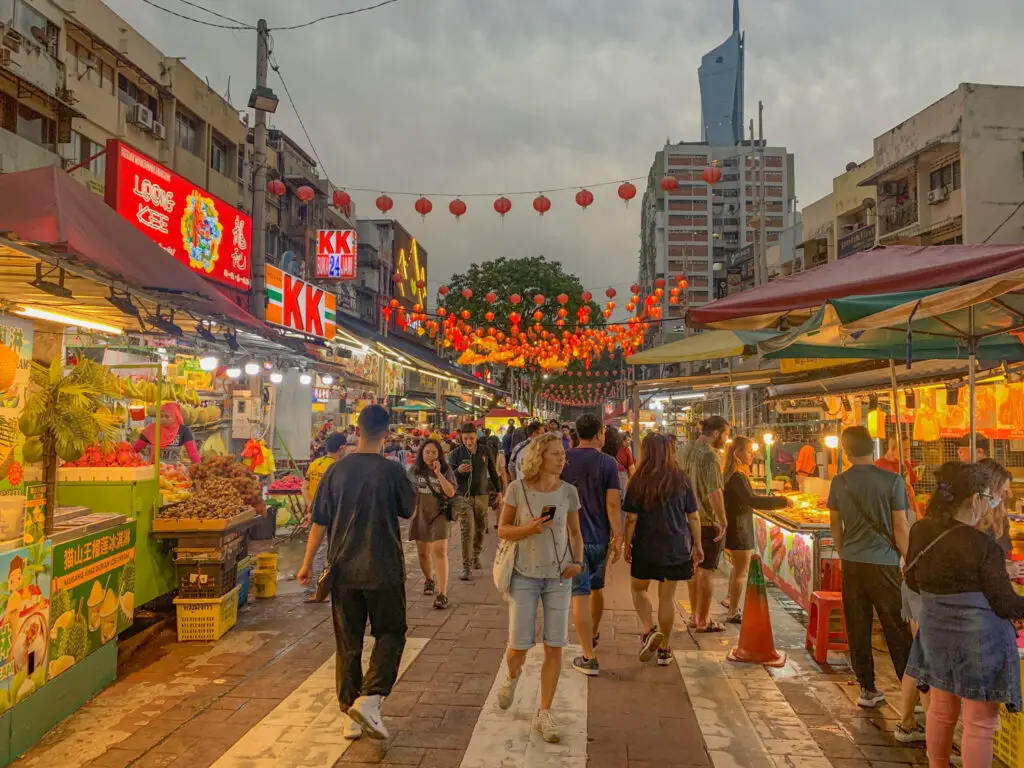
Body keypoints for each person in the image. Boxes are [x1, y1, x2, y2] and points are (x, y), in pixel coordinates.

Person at [297, 405, 414, 742]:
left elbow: (319, 520)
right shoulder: (392, 472)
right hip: (384, 568)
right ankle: (371, 698)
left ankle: (351, 710)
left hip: (343, 568)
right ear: (386, 434)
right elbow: (408, 509)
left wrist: (307, 563)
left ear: (356, 430)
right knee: (391, 633)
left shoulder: (336, 471)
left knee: (348, 642)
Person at [904, 461, 1024, 767]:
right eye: (989, 498)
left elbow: (911, 580)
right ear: (974, 499)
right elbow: (1005, 603)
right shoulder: (983, 546)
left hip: (935, 635)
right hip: (979, 643)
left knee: (941, 710)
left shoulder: (921, 530)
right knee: (980, 723)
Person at [496, 433, 584, 744]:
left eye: (563, 454)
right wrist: (529, 528)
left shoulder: (569, 492)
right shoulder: (517, 489)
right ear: (540, 457)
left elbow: (575, 532)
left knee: (554, 645)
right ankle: (512, 676)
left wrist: (578, 562)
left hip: (559, 576)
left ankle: (544, 711)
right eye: (555, 454)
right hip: (523, 575)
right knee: (519, 645)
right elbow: (503, 530)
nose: (562, 459)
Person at [827, 425, 913, 709]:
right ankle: (911, 693)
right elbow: (900, 527)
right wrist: (909, 558)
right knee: (896, 628)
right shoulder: (893, 481)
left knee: (858, 625)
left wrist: (843, 551)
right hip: (885, 563)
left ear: (846, 452)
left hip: (852, 562)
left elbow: (835, 526)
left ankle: (867, 688)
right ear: (872, 448)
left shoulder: (840, 482)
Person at [623, 434, 703, 666]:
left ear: (646, 452)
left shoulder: (638, 480)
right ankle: (665, 649)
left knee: (639, 589)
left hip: (646, 545)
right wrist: (697, 545)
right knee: (666, 598)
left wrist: (626, 543)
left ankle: (649, 630)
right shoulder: (681, 479)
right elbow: (693, 516)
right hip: (676, 546)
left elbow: (631, 518)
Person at [561, 414, 622, 676]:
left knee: (579, 595)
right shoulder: (608, 463)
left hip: (573, 538)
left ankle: (588, 655)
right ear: (598, 434)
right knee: (596, 589)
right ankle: (593, 636)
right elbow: (612, 504)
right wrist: (618, 536)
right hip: (599, 537)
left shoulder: (563, 459)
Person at [722, 436, 790, 624]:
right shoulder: (737, 476)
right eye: (748, 451)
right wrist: (782, 501)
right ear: (738, 453)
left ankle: (729, 601)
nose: (752, 455)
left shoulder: (733, 474)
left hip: (737, 524)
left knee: (737, 569)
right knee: (741, 571)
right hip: (740, 527)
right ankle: (734, 611)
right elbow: (751, 500)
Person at [679, 416, 730, 632]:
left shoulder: (684, 450)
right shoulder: (710, 456)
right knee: (706, 570)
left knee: (693, 567)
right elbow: (714, 491)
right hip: (706, 520)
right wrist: (722, 520)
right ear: (717, 433)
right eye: (726, 434)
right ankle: (704, 620)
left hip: (684, 518)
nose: (727, 439)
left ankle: (693, 616)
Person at [407, 439, 457, 609]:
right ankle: (429, 579)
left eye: (434, 452)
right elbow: (406, 492)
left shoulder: (446, 470)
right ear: (421, 454)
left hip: (439, 515)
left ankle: (442, 593)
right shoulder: (413, 471)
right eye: (427, 452)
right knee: (422, 553)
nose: (430, 455)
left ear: (439, 455)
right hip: (420, 515)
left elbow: (450, 492)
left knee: (440, 552)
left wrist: (439, 474)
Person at [449, 423, 502, 581]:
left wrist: (499, 491)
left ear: (476, 437)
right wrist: (458, 471)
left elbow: (492, 471)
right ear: (461, 438)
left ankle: (475, 555)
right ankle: (466, 566)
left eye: (471, 438)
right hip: (463, 496)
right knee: (467, 530)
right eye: (465, 438)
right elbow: (449, 476)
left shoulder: (484, 450)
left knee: (480, 528)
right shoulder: (456, 454)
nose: (468, 441)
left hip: (481, 495)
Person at [301, 432, 348, 602]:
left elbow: (304, 487)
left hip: (316, 512)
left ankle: (319, 588)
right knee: (323, 551)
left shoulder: (315, 463)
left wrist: (311, 505)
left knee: (317, 549)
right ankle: (315, 591)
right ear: (341, 448)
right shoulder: (336, 467)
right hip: (332, 514)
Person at [134, 402, 201, 464]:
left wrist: (199, 466)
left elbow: (192, 452)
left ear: (175, 416)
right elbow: (136, 448)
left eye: (167, 416)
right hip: (154, 470)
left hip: (174, 472)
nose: (163, 419)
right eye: (161, 416)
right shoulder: (151, 429)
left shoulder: (183, 430)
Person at [877, 436, 921, 518]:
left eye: (908, 449)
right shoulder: (878, 466)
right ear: (893, 449)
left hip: (908, 510)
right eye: (905, 450)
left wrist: (917, 512)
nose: (908, 453)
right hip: (890, 514)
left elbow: (911, 489)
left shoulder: (905, 464)